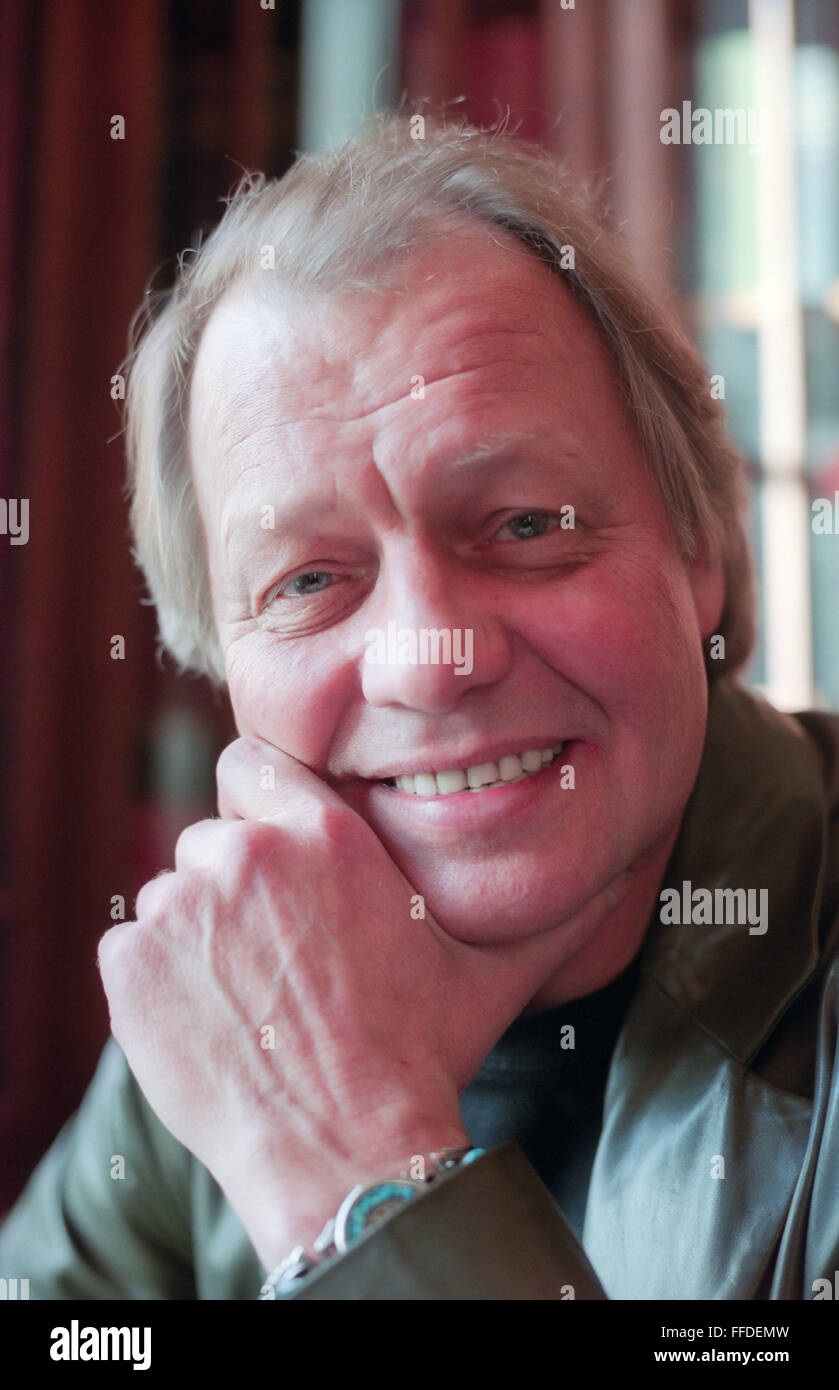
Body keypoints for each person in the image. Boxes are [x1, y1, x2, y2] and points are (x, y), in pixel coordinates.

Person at [1, 114, 837, 1302]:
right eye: (306, 582)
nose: (428, 659)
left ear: (697, 547)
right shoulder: (237, 983)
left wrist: (360, 1171)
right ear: (221, 664)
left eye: (523, 524)